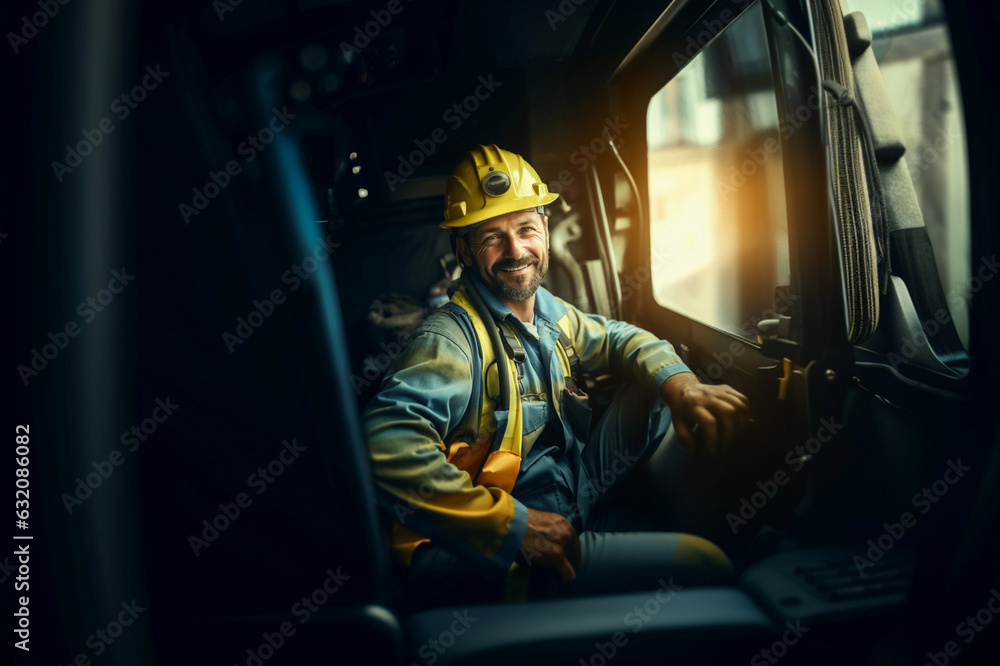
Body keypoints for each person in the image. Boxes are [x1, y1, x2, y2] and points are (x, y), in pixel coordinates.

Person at [364, 144, 751, 608]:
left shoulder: (544, 310)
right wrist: (510, 527)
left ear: (545, 231)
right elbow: (386, 446)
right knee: (705, 563)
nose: (516, 251)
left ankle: (723, 529)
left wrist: (684, 386)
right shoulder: (450, 340)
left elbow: (618, 338)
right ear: (463, 251)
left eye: (526, 229)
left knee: (653, 387)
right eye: (492, 237)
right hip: (518, 546)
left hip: (575, 490)